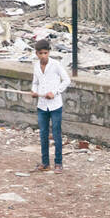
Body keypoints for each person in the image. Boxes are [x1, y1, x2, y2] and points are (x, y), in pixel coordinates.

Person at [30, 38, 70, 172]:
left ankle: (58, 163)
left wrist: (55, 92)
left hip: (55, 105)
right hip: (42, 105)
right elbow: (35, 82)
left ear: (49, 52)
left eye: (45, 53)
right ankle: (45, 163)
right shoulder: (36, 66)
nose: (43, 56)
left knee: (57, 134)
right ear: (36, 54)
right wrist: (34, 91)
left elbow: (66, 80)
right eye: (40, 53)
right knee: (43, 134)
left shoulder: (56, 65)